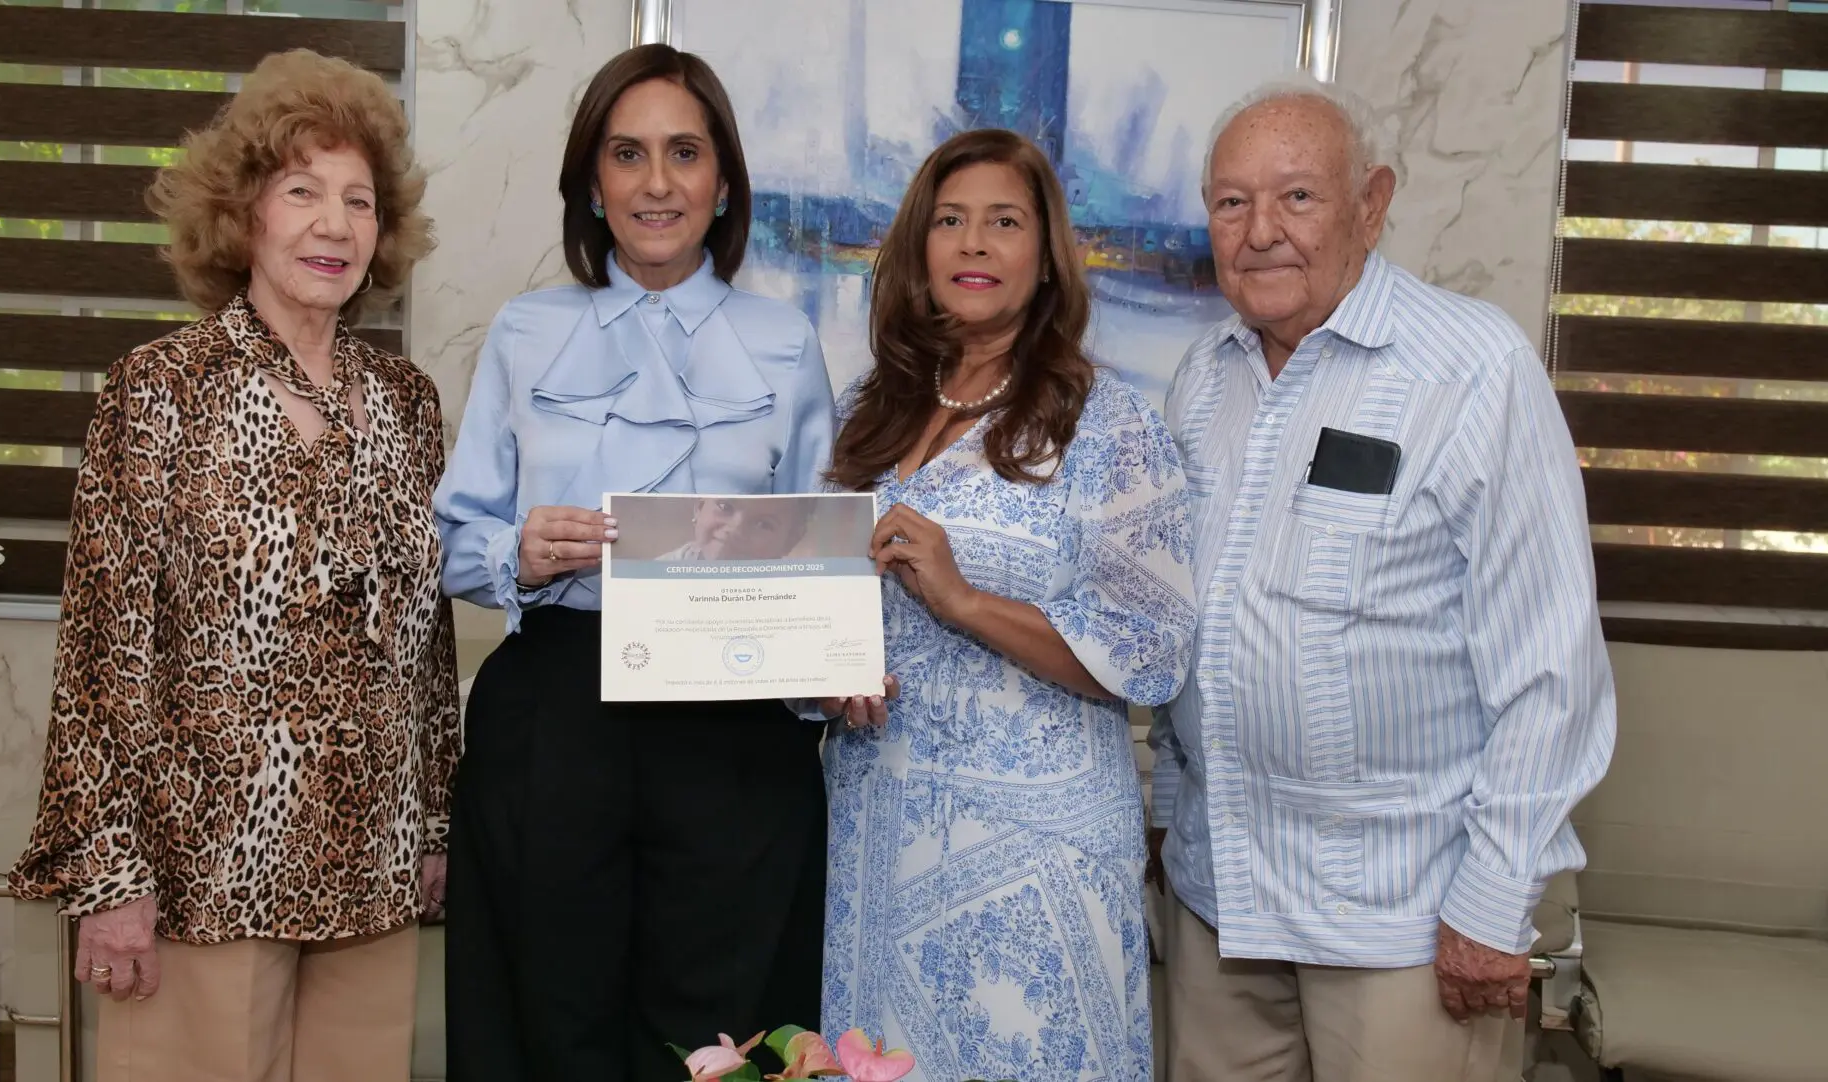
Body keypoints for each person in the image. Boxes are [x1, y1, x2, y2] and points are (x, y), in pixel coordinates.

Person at [1149, 78, 1617, 1082]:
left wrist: (1494, 904)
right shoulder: (1202, 379)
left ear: (1371, 203)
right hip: (1219, 902)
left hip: (1406, 922)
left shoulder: (1473, 369)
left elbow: (1551, 666)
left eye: (1298, 198)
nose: (1260, 230)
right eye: (1231, 202)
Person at [7, 49, 454, 1082]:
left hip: (374, 868)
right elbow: (97, 653)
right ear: (243, 209)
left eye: (358, 198)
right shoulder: (158, 390)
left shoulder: (407, 402)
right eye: (302, 190)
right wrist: (108, 874)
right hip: (202, 867)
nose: (333, 225)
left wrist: (434, 824)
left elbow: (426, 647)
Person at [433, 44, 838, 1082]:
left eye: (684, 152)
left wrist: (835, 658)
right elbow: (450, 539)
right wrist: (516, 551)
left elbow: (824, 550)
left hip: (738, 730)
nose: (657, 182)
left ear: (723, 181)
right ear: (593, 182)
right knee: (548, 1018)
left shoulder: (786, 342)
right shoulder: (527, 332)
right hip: (557, 717)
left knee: (719, 1036)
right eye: (627, 154)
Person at [819, 128, 1198, 1082]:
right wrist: (825, 676)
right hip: (874, 827)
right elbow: (824, 593)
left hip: (1032, 856)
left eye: (1004, 222)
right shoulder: (874, 410)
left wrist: (964, 599)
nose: (974, 244)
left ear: (1045, 256)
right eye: (950, 221)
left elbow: (1152, 650)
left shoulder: (1105, 421)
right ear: (920, 247)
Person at [658, 496, 814, 561]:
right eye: (725, 507)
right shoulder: (659, 574)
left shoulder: (801, 591)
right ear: (699, 508)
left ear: (791, 540)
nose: (736, 528)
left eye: (763, 524)